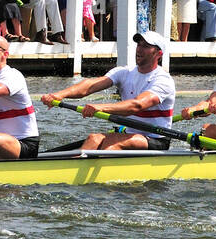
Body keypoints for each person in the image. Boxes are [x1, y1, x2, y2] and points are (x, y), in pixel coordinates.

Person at [40, 31, 176, 150]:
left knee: (111, 143)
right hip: (130, 133)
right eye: (139, 44)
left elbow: (137, 105)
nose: (139, 49)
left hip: (156, 138)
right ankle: (73, 171)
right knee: (93, 138)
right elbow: (90, 85)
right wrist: (58, 95)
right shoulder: (124, 72)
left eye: (145, 46)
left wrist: (100, 107)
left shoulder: (163, 80)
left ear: (159, 54)